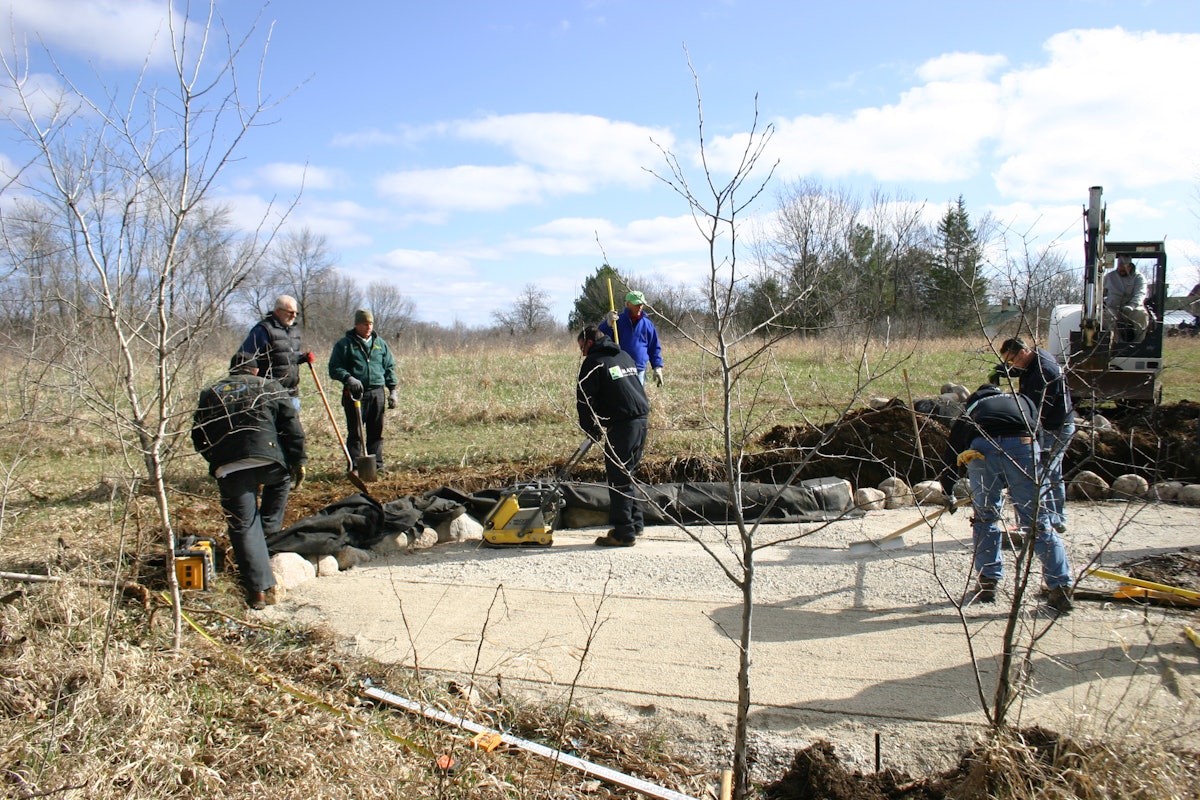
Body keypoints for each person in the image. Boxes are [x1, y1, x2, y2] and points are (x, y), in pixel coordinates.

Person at [938, 384, 1074, 614]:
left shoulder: (974, 408)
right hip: (1023, 447)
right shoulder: (1022, 400)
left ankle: (988, 582)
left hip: (982, 450)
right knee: (1037, 521)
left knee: (985, 517)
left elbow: (953, 449)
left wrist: (948, 490)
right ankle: (1060, 585)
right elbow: (1038, 432)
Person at [191, 351, 307, 610]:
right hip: (269, 462)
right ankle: (268, 533)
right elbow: (292, 427)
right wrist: (299, 460)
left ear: (232, 371)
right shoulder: (269, 386)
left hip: (229, 468)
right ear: (255, 371)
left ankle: (257, 593)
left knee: (243, 526)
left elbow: (198, 435)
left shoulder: (211, 392)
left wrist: (215, 457)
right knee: (281, 480)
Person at [576, 325, 651, 547]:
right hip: (641, 421)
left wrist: (591, 429)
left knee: (618, 478)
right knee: (628, 475)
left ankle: (623, 533)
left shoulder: (593, 363)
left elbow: (585, 400)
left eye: (582, 347)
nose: (582, 353)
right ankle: (635, 524)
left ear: (589, 343)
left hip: (623, 425)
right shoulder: (623, 355)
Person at [998, 338, 1075, 534]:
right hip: (1052, 425)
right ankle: (1053, 519)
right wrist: (1006, 371)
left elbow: (1038, 410)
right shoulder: (1038, 357)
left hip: (1055, 428)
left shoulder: (1044, 373)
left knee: (1042, 472)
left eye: (1012, 360)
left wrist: (1028, 432)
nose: (1012, 365)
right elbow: (1025, 370)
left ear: (1023, 352)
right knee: (1049, 472)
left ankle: (1046, 521)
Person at [327, 309, 398, 473]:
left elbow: (389, 368)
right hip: (355, 394)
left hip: (377, 393)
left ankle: (377, 465)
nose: (368, 327)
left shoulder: (380, 343)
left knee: (376, 431)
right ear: (357, 324)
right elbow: (334, 368)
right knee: (356, 432)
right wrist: (348, 378)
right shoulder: (345, 345)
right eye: (365, 324)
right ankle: (355, 466)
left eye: (371, 323)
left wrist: (393, 390)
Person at [239, 294, 314, 407]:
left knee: (292, 425)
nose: (294, 316)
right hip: (269, 395)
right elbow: (244, 358)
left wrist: (302, 357)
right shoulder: (263, 331)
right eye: (290, 312)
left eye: (296, 313)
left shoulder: (294, 332)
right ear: (278, 311)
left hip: (291, 394)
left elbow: (285, 357)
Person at [599, 290, 664, 386]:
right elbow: (600, 336)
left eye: (641, 304)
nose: (640, 307)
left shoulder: (647, 324)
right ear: (628, 304)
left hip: (639, 368)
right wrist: (608, 323)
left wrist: (657, 367)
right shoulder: (617, 321)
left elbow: (654, 347)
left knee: (637, 397)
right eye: (637, 304)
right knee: (618, 395)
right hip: (618, 366)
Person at [1103, 255, 1149, 341]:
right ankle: (1116, 342)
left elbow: (1140, 293)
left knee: (1141, 314)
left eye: (1124, 266)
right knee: (1106, 315)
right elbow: (1100, 292)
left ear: (1130, 266)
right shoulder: (1109, 277)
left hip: (1132, 308)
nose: (1121, 269)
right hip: (1113, 307)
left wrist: (1131, 305)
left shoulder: (1139, 278)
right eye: (1119, 266)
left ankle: (1138, 343)